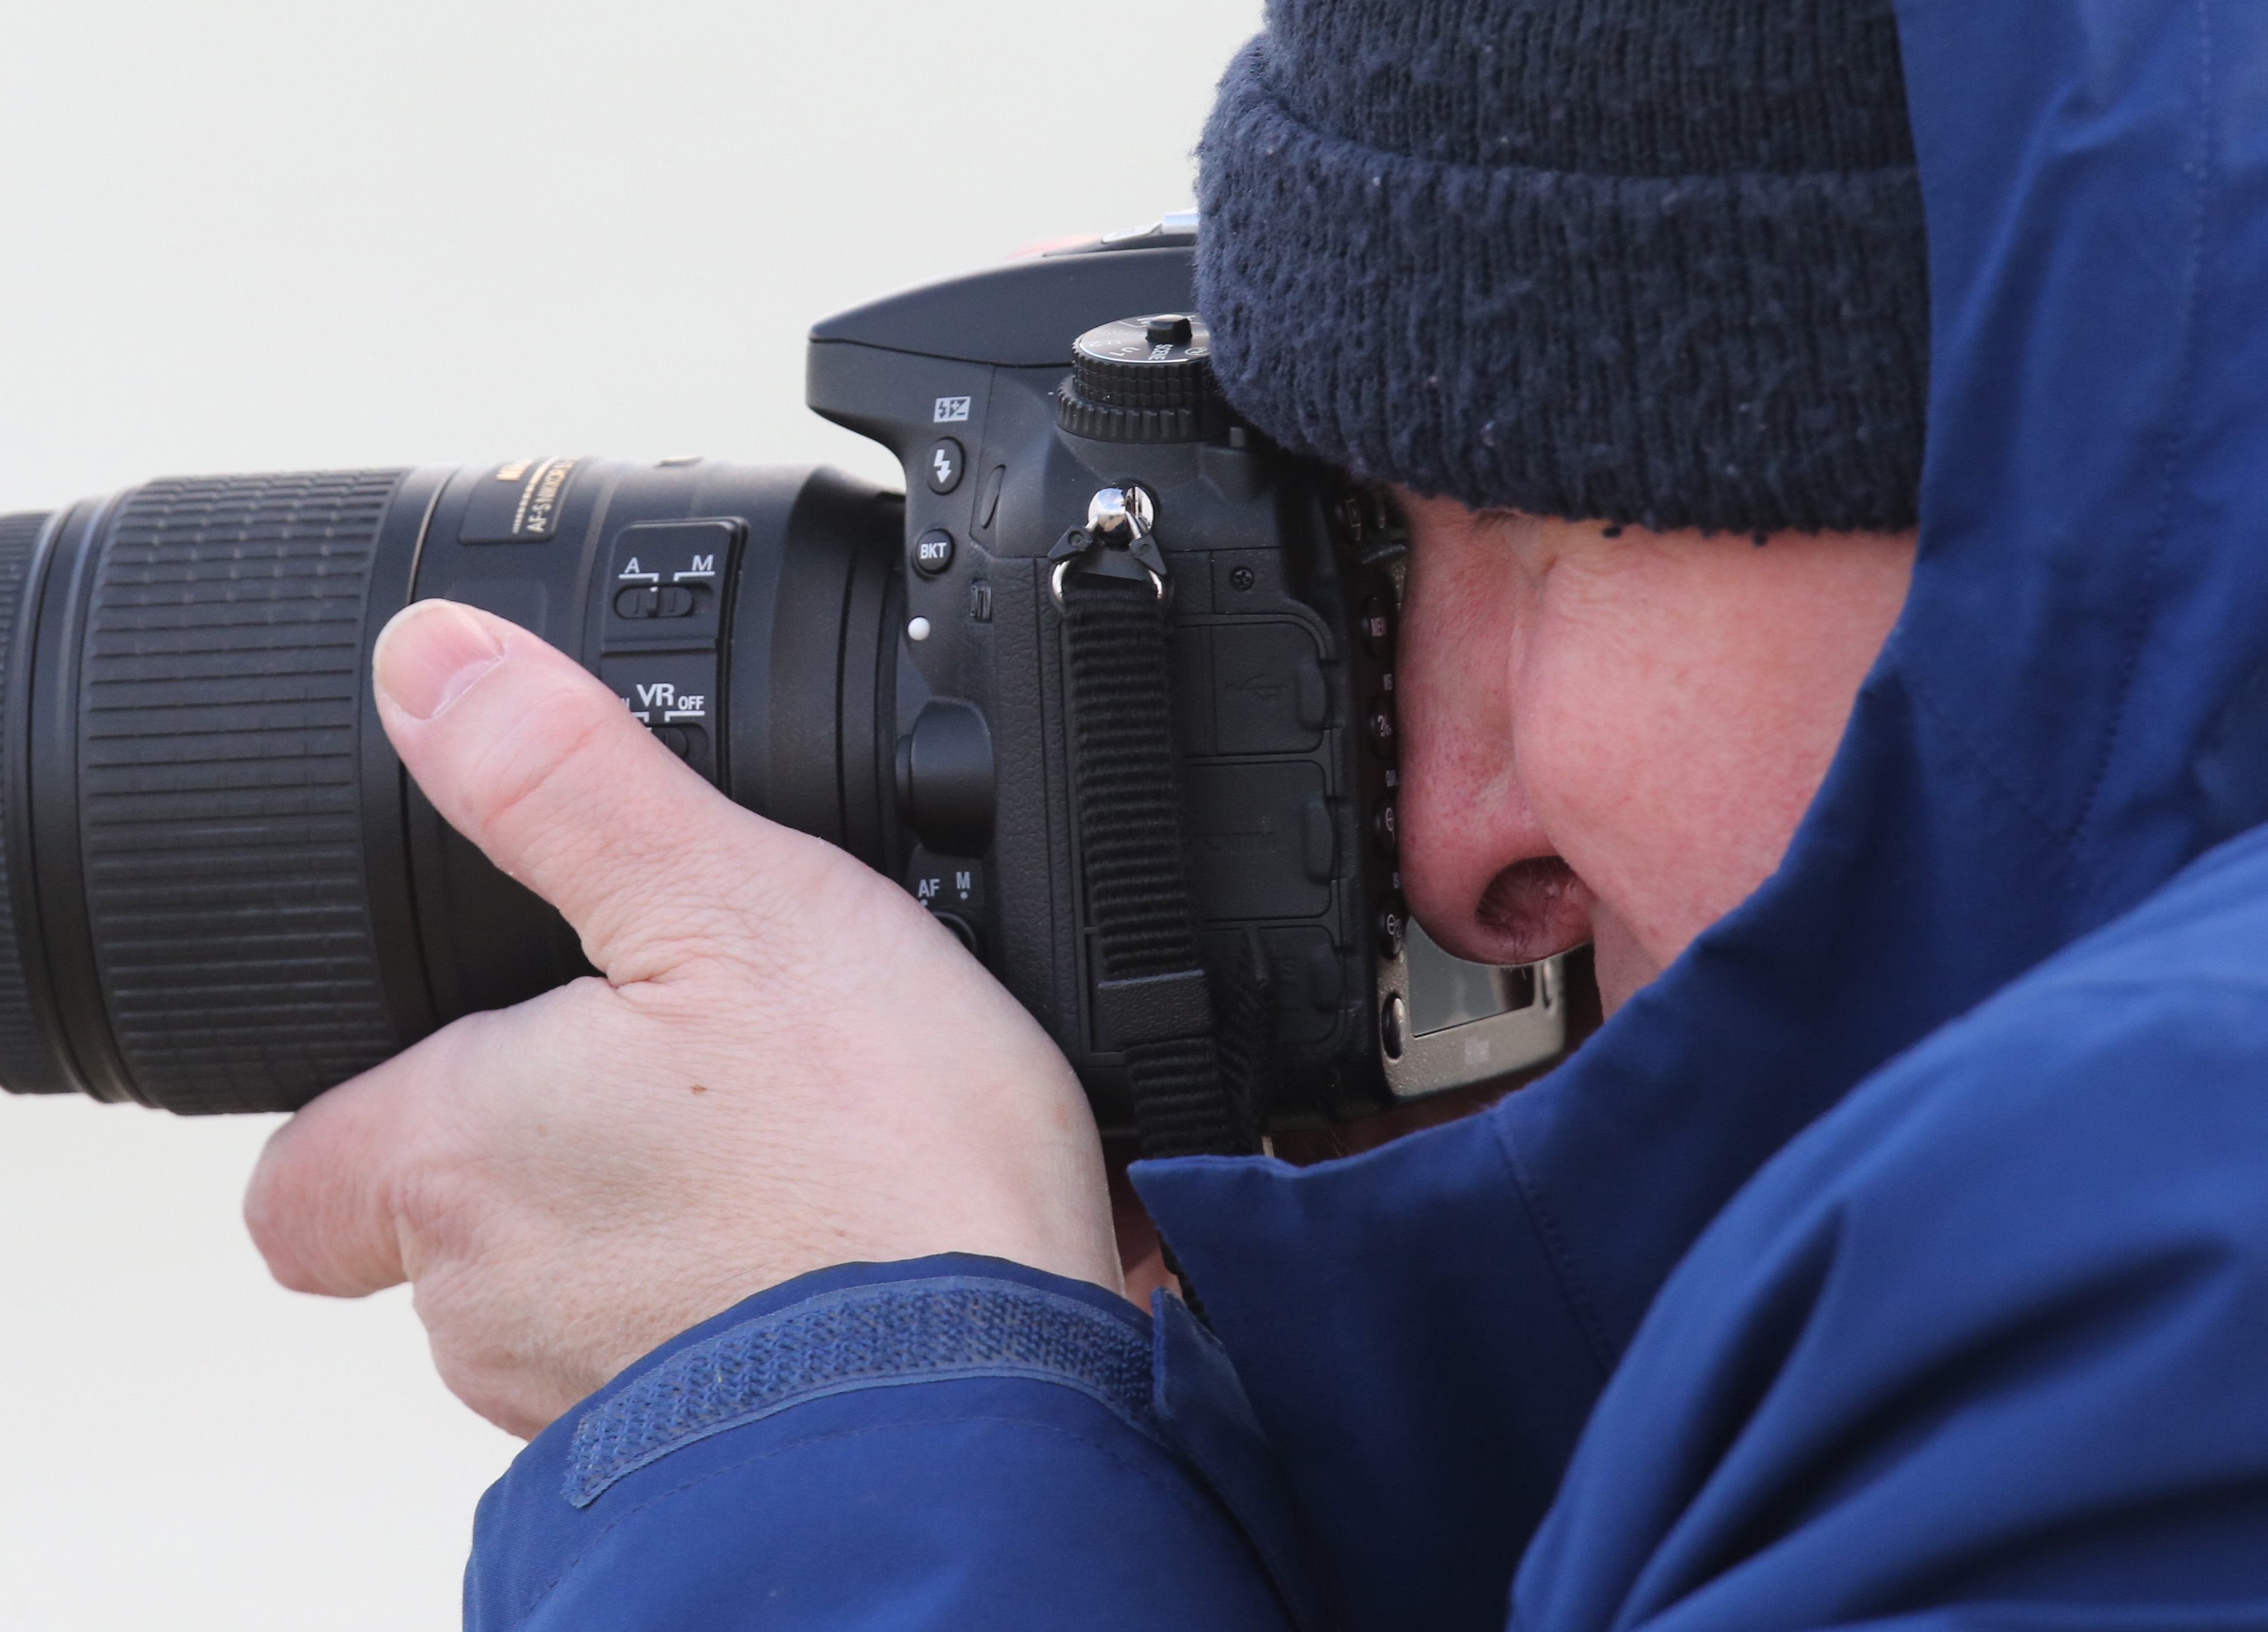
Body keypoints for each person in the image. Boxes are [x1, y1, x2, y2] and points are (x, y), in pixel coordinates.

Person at [245, 0, 2268, 1624]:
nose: (1460, 858)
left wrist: (842, 1407)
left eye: (1559, 528)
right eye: (1367, 565)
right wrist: (1286, 1387)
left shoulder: (2151, 1258)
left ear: (2056, 427)